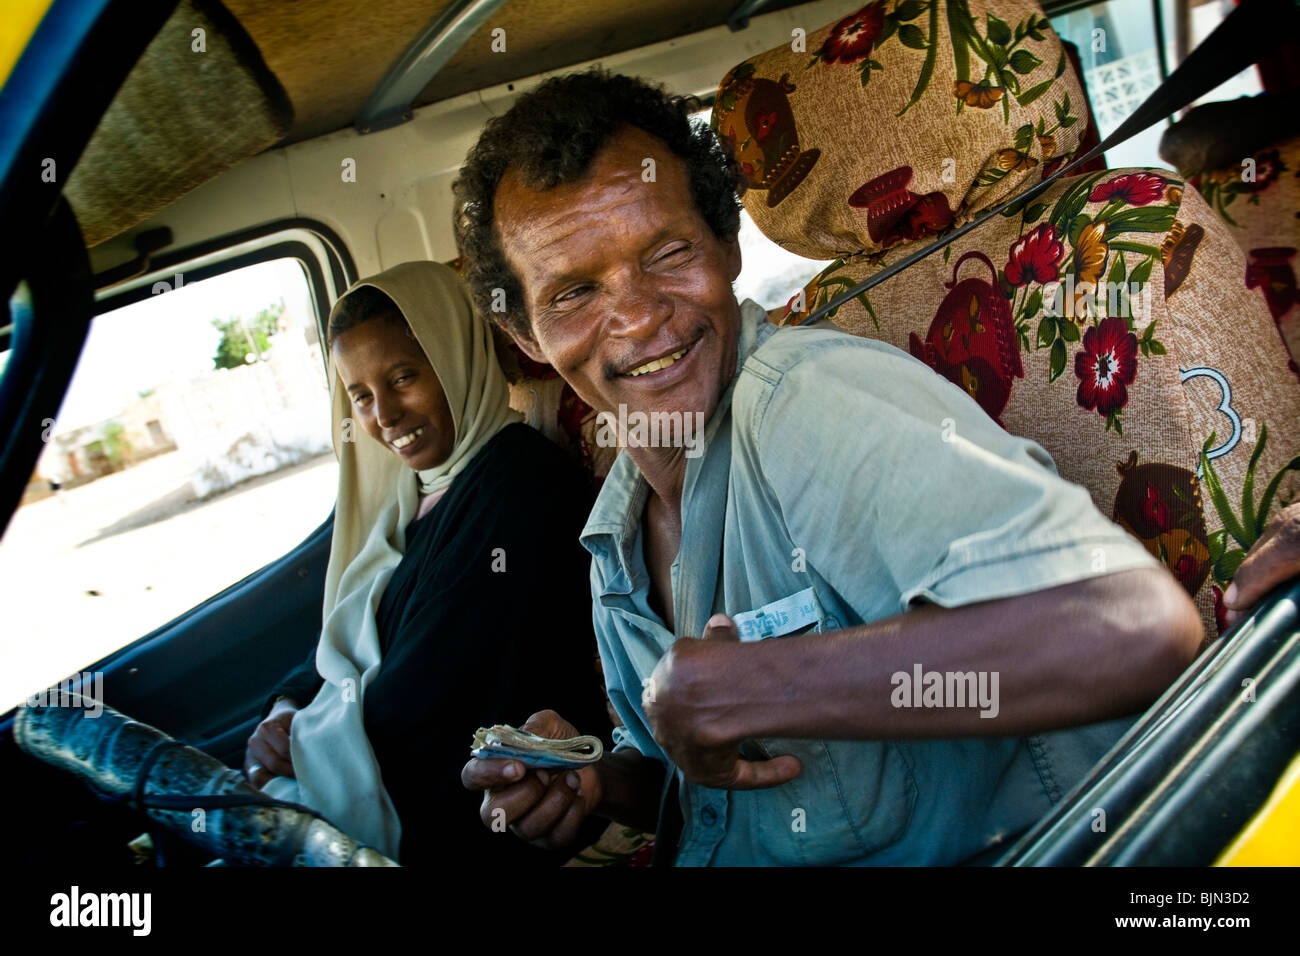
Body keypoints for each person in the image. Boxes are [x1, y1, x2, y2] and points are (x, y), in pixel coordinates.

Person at [455, 70, 1298, 866]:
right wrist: (600, 784)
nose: (637, 319)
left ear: (726, 246)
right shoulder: (615, 528)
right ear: (527, 339)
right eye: (573, 293)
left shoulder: (806, 402)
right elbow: (700, 779)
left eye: (669, 252)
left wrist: (762, 683)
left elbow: (1129, 631)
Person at [242, 260, 610, 865]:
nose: (383, 416)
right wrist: (283, 711)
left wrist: (303, 746)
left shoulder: (518, 487)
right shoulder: (403, 500)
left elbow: (419, 704)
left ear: (457, 359)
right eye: (360, 396)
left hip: (484, 814)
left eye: (404, 377)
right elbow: (351, 638)